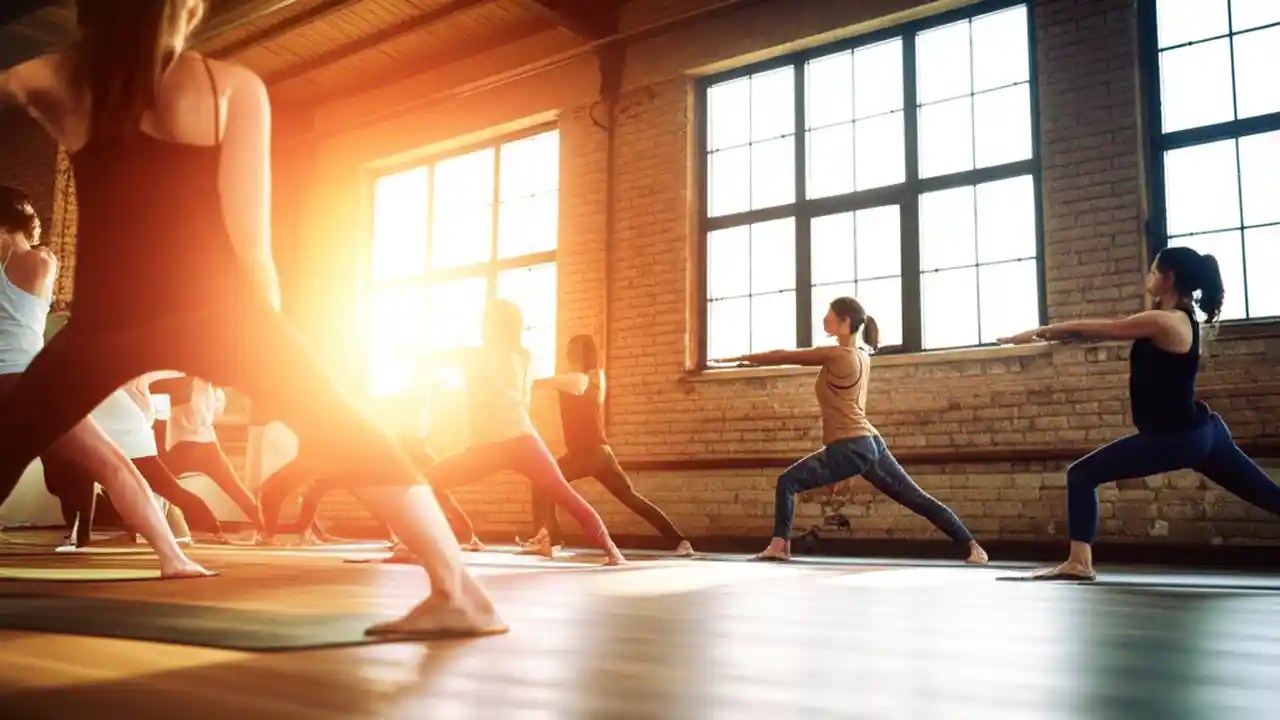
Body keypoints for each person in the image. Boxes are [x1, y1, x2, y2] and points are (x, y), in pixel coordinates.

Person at [0, 0, 503, 636]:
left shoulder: (59, 80)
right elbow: (252, 242)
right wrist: (270, 339)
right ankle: (460, 592)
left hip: (109, 319)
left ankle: (461, 593)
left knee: (13, 434)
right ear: (184, 8)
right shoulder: (231, 87)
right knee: (342, 424)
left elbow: (15, 86)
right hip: (218, 308)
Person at [998, 247, 1280, 580]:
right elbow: (1098, 333)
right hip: (1205, 433)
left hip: (1177, 438)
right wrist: (1060, 337)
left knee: (1082, 475)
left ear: (1168, 278)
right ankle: (1079, 562)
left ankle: (1080, 562)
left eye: (1152, 271)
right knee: (1269, 496)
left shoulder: (1164, 321)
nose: (1147, 277)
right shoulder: (1179, 319)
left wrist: (1035, 331)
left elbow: (1101, 328)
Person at [0, 185, 208, 576]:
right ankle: (172, 558)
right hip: (30, 388)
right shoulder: (39, 260)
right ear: (25, 225)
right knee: (115, 467)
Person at [715, 297, 988, 564]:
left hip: (851, 445)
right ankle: (973, 547)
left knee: (788, 482)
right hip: (868, 442)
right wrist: (846, 466)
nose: (824, 319)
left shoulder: (837, 354)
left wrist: (740, 358)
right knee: (916, 499)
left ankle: (779, 545)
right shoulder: (863, 355)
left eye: (829, 315)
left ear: (844, 322)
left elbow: (784, 356)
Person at [423, 300, 627, 566]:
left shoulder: (479, 357)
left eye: (488, 321)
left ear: (497, 326)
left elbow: (443, 359)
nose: (483, 326)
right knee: (564, 494)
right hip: (519, 441)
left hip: (500, 445)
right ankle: (613, 552)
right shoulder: (523, 356)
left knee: (426, 482)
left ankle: (452, 536)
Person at [521, 334, 693, 557]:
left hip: (589, 454)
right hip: (600, 454)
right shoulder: (579, 379)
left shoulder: (585, 379)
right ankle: (680, 542)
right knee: (630, 497)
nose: (568, 356)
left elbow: (569, 383)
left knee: (543, 479)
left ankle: (549, 540)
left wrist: (528, 380)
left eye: (573, 352)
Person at [163, 375, 267, 539]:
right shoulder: (213, 391)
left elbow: (177, 413)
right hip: (208, 444)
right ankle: (264, 527)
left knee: (158, 485)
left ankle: (208, 524)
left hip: (183, 446)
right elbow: (211, 416)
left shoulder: (187, 386)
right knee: (236, 489)